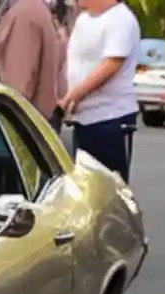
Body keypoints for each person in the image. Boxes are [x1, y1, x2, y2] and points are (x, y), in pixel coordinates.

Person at [59, 0, 140, 182]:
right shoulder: (83, 20)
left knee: (109, 187)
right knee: (86, 185)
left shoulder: (120, 19)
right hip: (83, 118)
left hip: (110, 118)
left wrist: (75, 94)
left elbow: (111, 64)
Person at [0, 0, 66, 124]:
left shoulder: (24, 15)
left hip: (20, 128)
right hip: (13, 122)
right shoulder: (12, 10)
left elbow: (17, 92)